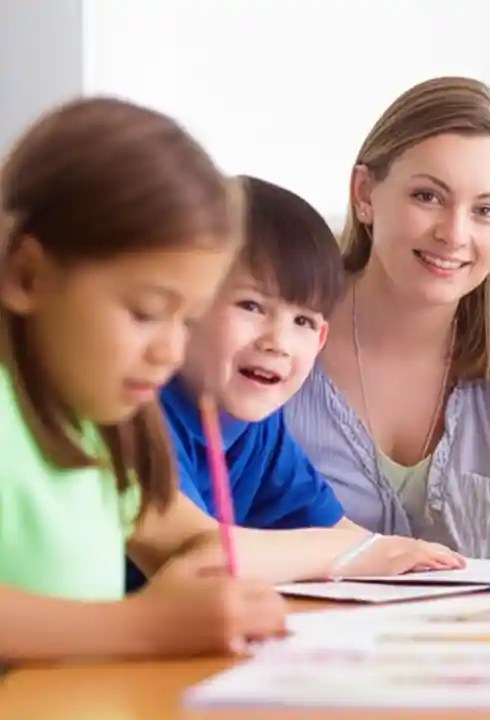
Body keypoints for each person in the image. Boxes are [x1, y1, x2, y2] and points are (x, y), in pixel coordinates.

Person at [0, 97, 285, 661]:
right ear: (26, 275)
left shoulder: (91, 424)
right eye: (147, 312)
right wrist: (146, 628)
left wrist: (208, 582)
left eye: (188, 319)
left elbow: (189, 538)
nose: (170, 351)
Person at [126, 175, 465, 592]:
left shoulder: (259, 429)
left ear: (322, 338)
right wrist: (360, 554)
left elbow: (337, 533)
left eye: (303, 321)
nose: (278, 342)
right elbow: (201, 558)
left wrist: (409, 559)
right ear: (183, 302)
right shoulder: (129, 409)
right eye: (252, 305)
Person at [286, 77, 490, 562]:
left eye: (485, 210)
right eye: (428, 197)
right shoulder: (275, 347)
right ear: (365, 194)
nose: (454, 234)